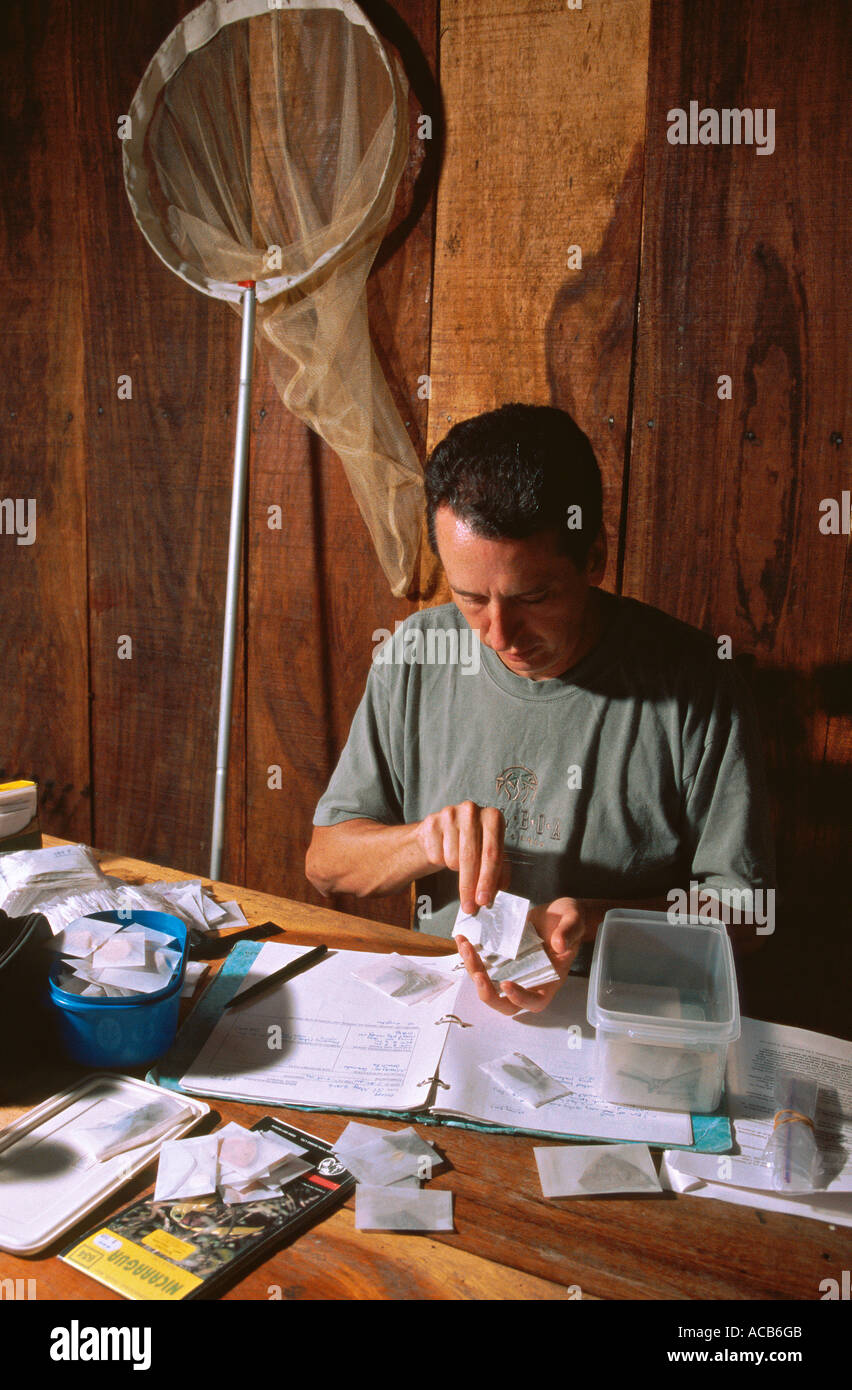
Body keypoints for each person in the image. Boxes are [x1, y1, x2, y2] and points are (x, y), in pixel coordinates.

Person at [306, 403, 775, 1017]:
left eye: (533, 596)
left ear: (595, 559)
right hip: (446, 1009)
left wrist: (600, 923)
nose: (498, 634)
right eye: (470, 598)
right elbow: (327, 865)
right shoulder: (417, 653)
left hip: (620, 1014)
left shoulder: (696, 682)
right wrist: (425, 841)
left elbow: (748, 914)